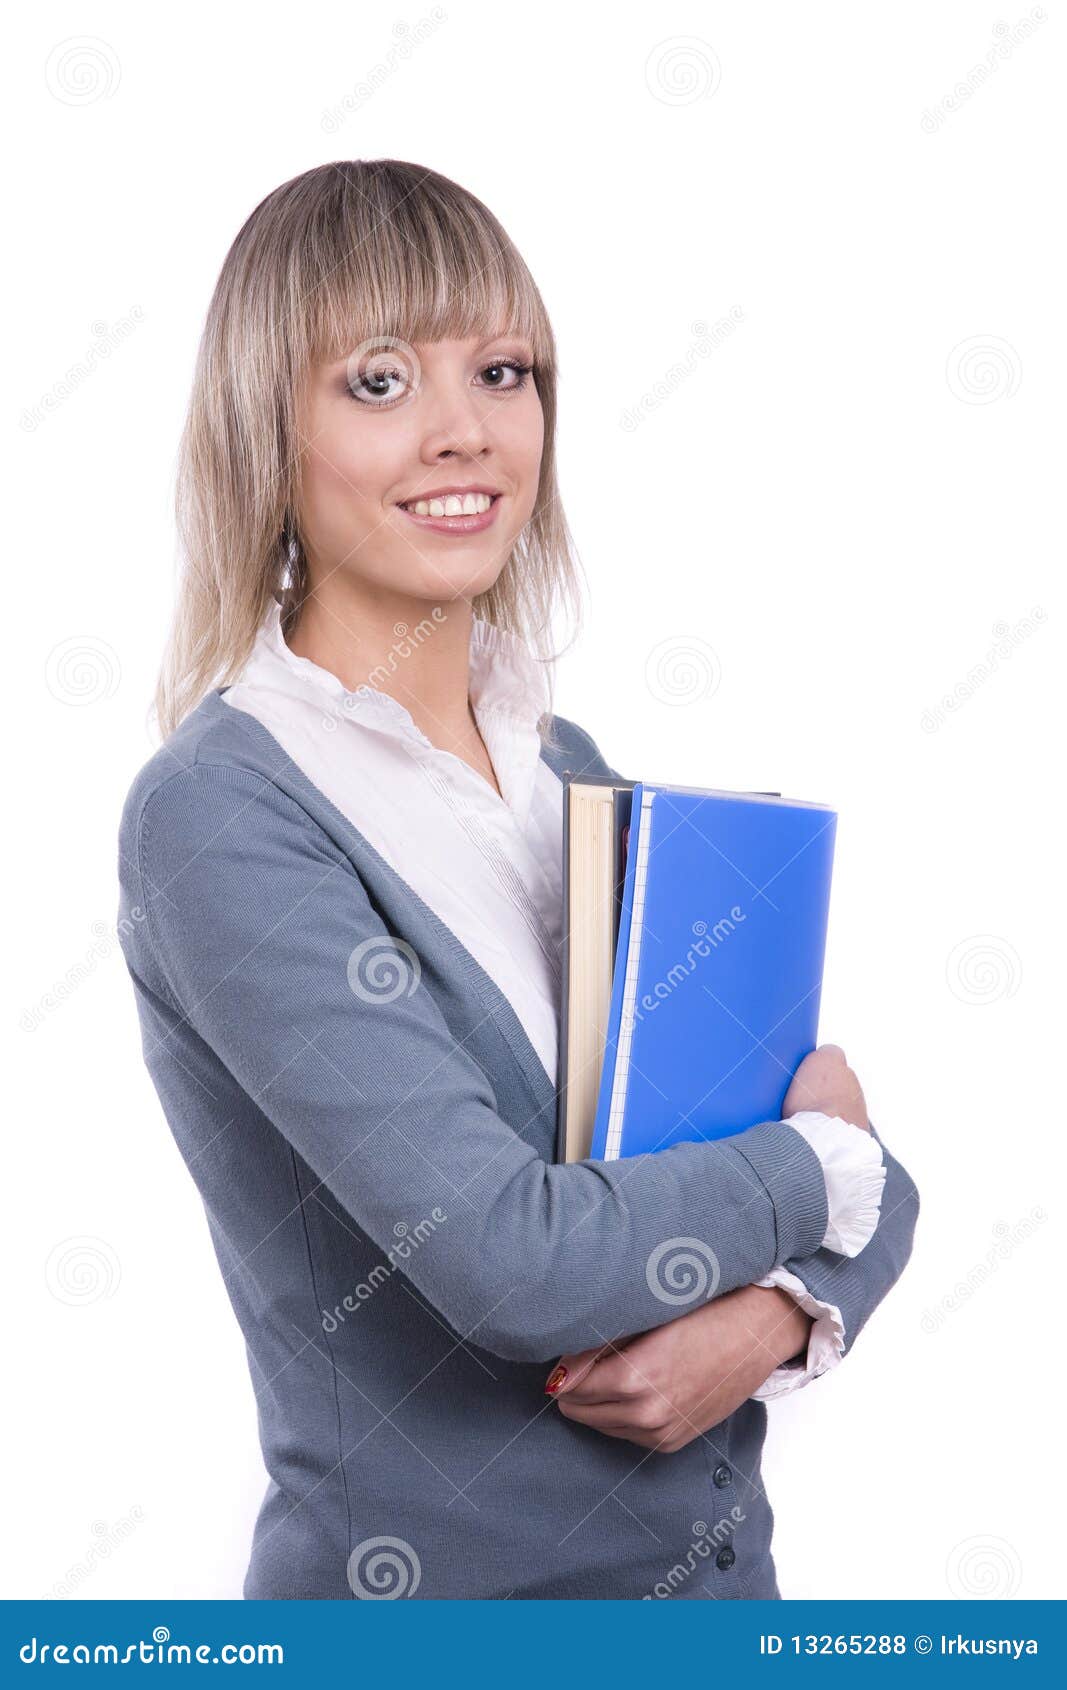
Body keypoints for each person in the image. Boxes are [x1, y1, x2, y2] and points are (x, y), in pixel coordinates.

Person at [116, 158, 919, 1601]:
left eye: (502, 370)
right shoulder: (220, 817)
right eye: (377, 381)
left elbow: (840, 1192)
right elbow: (511, 1259)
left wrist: (785, 1318)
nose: (463, 433)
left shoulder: (575, 771)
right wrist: (826, 1170)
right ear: (265, 433)